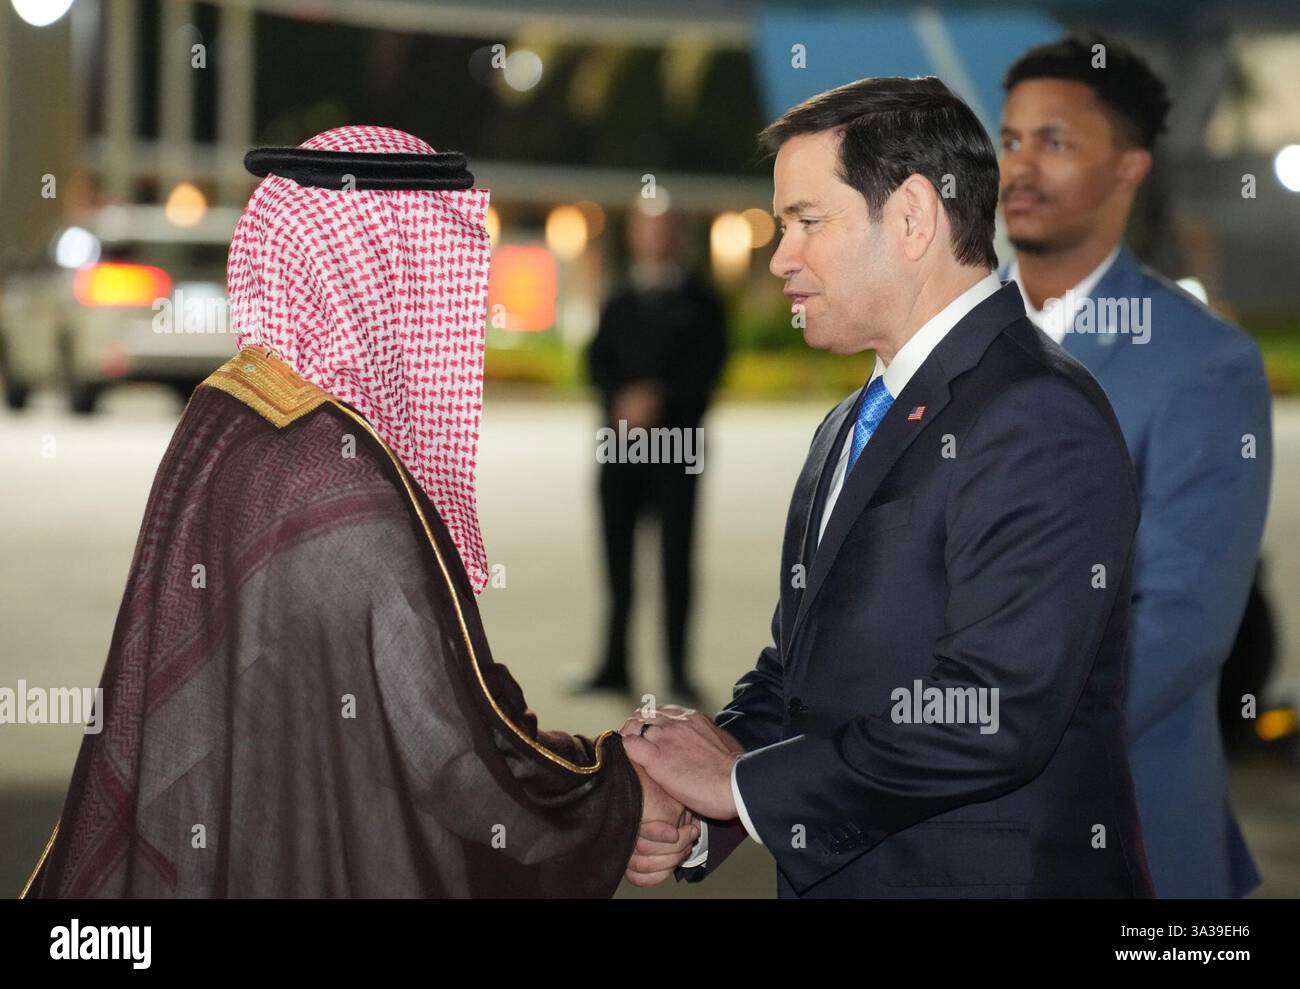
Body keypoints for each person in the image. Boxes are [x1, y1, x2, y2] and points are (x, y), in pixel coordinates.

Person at [20, 126, 696, 899]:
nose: (452, 307)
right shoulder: (337, 473)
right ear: (374, 271)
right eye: (425, 271)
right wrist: (613, 790)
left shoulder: (225, 413)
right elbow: (451, 746)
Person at [621, 77, 1153, 897]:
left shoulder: (1037, 414)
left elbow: (987, 714)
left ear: (912, 216)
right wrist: (699, 808)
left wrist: (738, 789)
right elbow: (799, 678)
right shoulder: (851, 421)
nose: (779, 257)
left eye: (805, 221)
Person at [998, 35, 1273, 897]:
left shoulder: (1201, 364)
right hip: (933, 839)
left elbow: (1181, 624)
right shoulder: (939, 339)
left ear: (1128, 169)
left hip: (1119, 840)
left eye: (1057, 141)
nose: (1020, 166)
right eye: (1009, 139)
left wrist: (971, 753)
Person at [577, 207, 728, 706]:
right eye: (646, 230)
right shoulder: (618, 299)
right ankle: (614, 665)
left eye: (664, 230)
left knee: (676, 562)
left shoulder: (703, 302)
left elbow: (711, 365)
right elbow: (596, 361)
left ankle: (679, 672)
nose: (655, 239)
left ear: (676, 236)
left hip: (676, 453)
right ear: (636, 237)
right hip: (620, 451)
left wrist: (657, 397)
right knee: (617, 561)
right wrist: (620, 397)